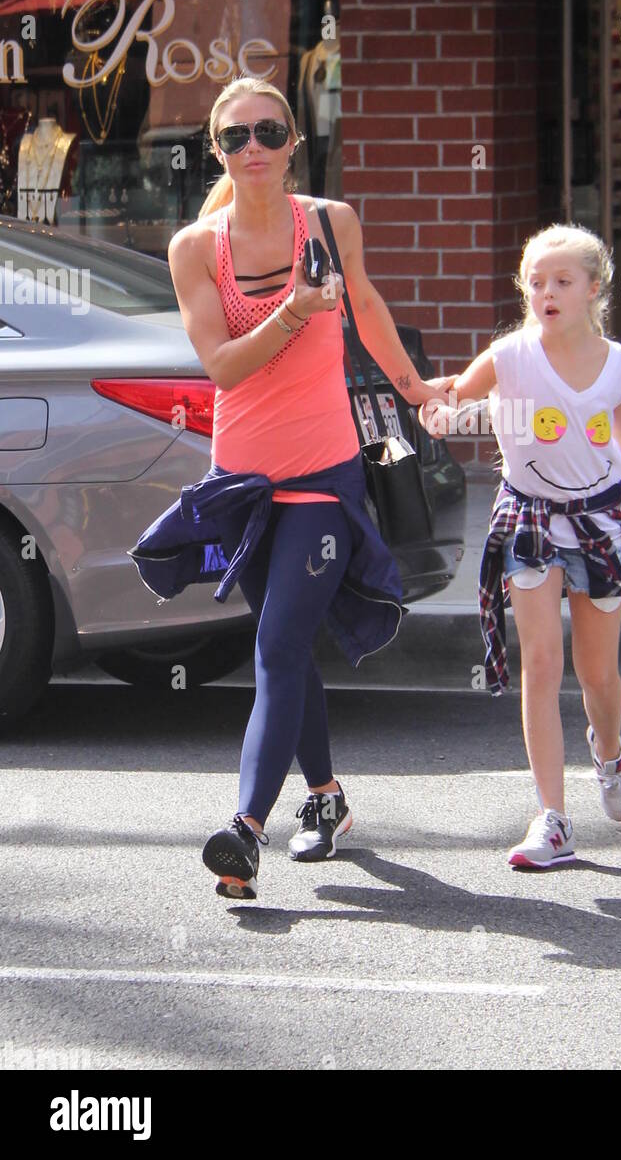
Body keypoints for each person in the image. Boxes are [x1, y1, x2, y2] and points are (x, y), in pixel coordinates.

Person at [139, 76, 450, 899]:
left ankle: (244, 831)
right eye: (235, 136)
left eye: (267, 132)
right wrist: (297, 311)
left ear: (291, 144)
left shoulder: (332, 223)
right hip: (241, 479)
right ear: (215, 149)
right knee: (290, 645)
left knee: (276, 646)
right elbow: (224, 369)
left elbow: (370, 308)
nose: (252, 149)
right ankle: (326, 798)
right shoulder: (195, 248)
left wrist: (418, 394)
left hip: (321, 470)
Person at [420, 225, 621, 869]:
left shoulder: (619, 365)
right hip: (527, 519)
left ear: (594, 289)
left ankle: (608, 751)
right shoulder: (510, 356)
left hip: (601, 522)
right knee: (542, 664)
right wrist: (436, 408)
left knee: (597, 672)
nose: (546, 292)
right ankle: (553, 818)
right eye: (536, 281)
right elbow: (455, 401)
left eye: (562, 281)